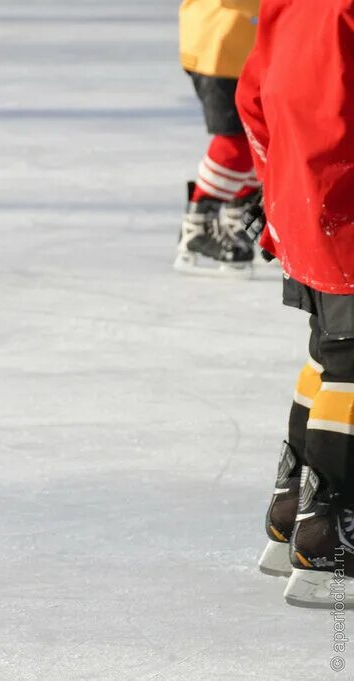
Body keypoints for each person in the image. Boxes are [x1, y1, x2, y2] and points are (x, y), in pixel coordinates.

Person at [237, 0, 354, 607]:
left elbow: (253, 96)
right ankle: (334, 532)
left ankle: (296, 514)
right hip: (343, 210)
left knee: (330, 354)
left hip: (305, 207)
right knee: (351, 364)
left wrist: (282, 185)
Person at [174, 0, 262, 275]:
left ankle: (240, 219)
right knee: (235, 141)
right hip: (219, 45)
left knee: (256, 135)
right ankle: (197, 226)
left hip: (245, 45)